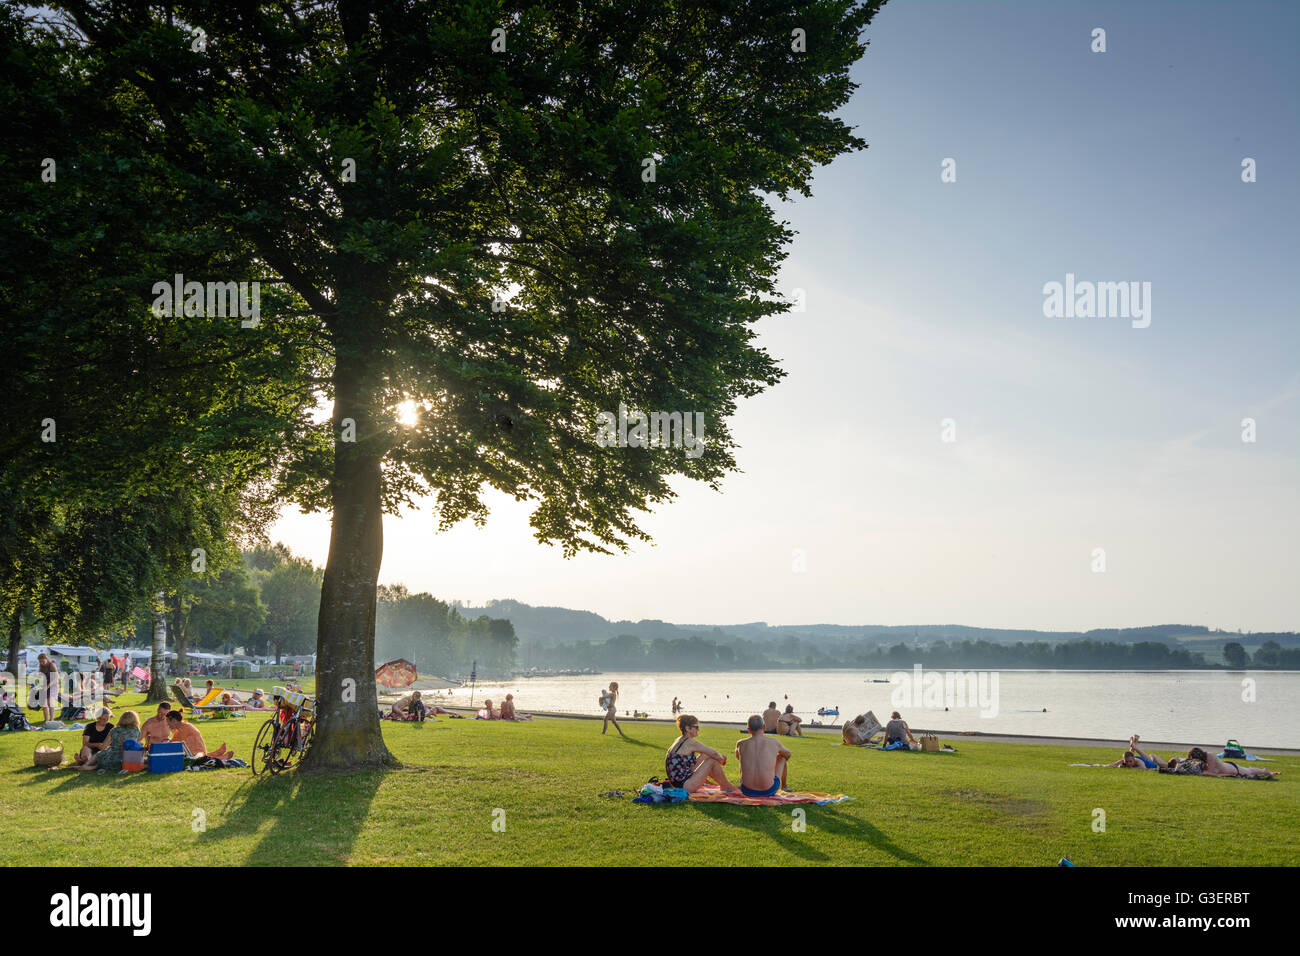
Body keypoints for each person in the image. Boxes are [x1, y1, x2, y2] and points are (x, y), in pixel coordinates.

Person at [664, 715, 737, 792]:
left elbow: (708, 753)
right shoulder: (690, 742)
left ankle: (726, 785)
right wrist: (722, 760)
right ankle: (726, 786)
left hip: (678, 783)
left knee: (706, 755)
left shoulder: (679, 740)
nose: (698, 729)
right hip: (685, 786)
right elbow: (714, 753)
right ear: (687, 728)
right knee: (712, 760)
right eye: (696, 727)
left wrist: (719, 757)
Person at [735, 715, 791, 797]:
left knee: (744, 758)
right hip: (768, 790)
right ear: (764, 727)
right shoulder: (774, 742)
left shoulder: (740, 744)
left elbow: (738, 758)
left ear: (749, 730)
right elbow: (788, 754)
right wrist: (772, 759)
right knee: (782, 757)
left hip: (746, 790)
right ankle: (784, 786)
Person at [166, 710, 233, 760]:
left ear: (174, 721)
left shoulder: (185, 728)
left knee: (195, 760)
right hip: (198, 753)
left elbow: (175, 745)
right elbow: (173, 742)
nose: (167, 724)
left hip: (197, 754)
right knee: (197, 758)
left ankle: (221, 758)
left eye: (168, 722)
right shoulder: (181, 728)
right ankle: (217, 754)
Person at [1186, 746, 1278, 779]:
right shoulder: (1207, 757)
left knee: (1249, 771)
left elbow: (1211, 772)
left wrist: (1201, 772)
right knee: (1249, 770)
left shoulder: (1209, 756)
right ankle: (1265, 771)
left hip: (1232, 769)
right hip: (1228, 766)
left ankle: (1266, 771)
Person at [36, 653, 59, 723]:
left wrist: (48, 686)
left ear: (46, 659)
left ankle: (51, 719)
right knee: (44, 704)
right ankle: (46, 720)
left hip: (53, 685)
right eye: (40, 662)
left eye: (43, 661)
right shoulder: (41, 666)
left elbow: (56, 677)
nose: (42, 663)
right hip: (45, 685)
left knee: (50, 702)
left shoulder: (51, 665)